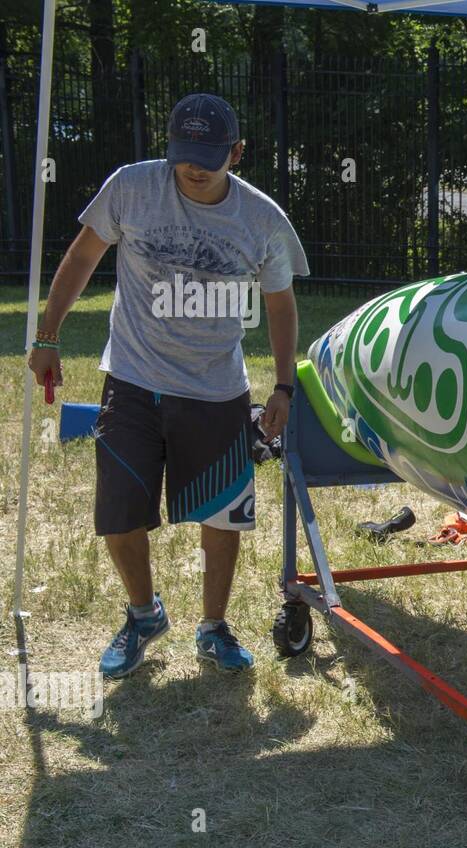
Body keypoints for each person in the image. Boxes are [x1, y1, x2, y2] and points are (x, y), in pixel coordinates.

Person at [26, 93, 309, 678]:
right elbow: (82, 257)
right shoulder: (130, 187)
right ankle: (142, 614)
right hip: (133, 380)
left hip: (216, 391)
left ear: (237, 152)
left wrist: (283, 387)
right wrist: (48, 334)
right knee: (119, 513)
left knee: (222, 519)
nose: (194, 168)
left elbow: (280, 306)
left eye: (209, 155)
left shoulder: (261, 219)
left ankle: (213, 627)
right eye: (184, 154)